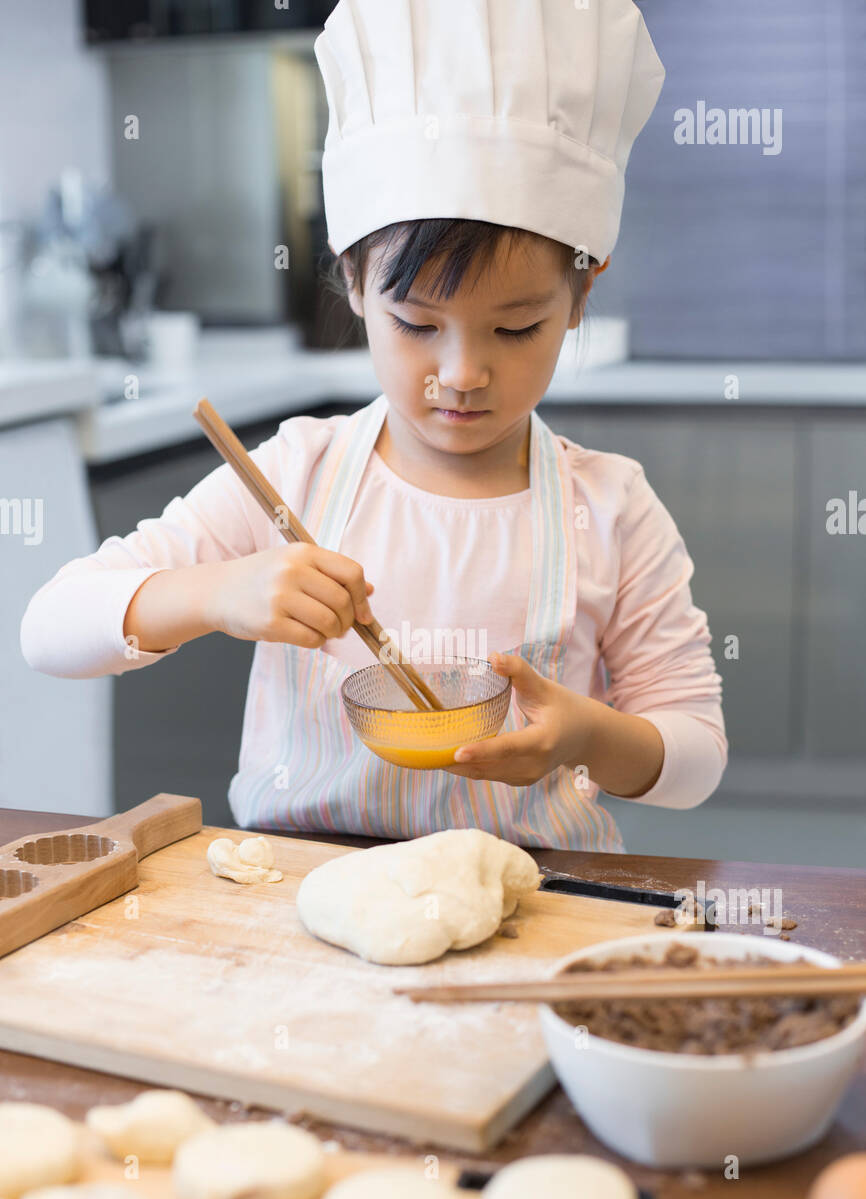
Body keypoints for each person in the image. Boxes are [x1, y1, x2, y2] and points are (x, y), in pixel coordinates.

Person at [21, 0, 726, 851]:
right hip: (301, 903)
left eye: (515, 328)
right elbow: (49, 628)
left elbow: (695, 757)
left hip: (535, 903)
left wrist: (587, 737)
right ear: (355, 281)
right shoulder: (296, 475)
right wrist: (218, 592)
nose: (463, 374)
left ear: (581, 294)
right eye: (418, 324)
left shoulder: (610, 507)